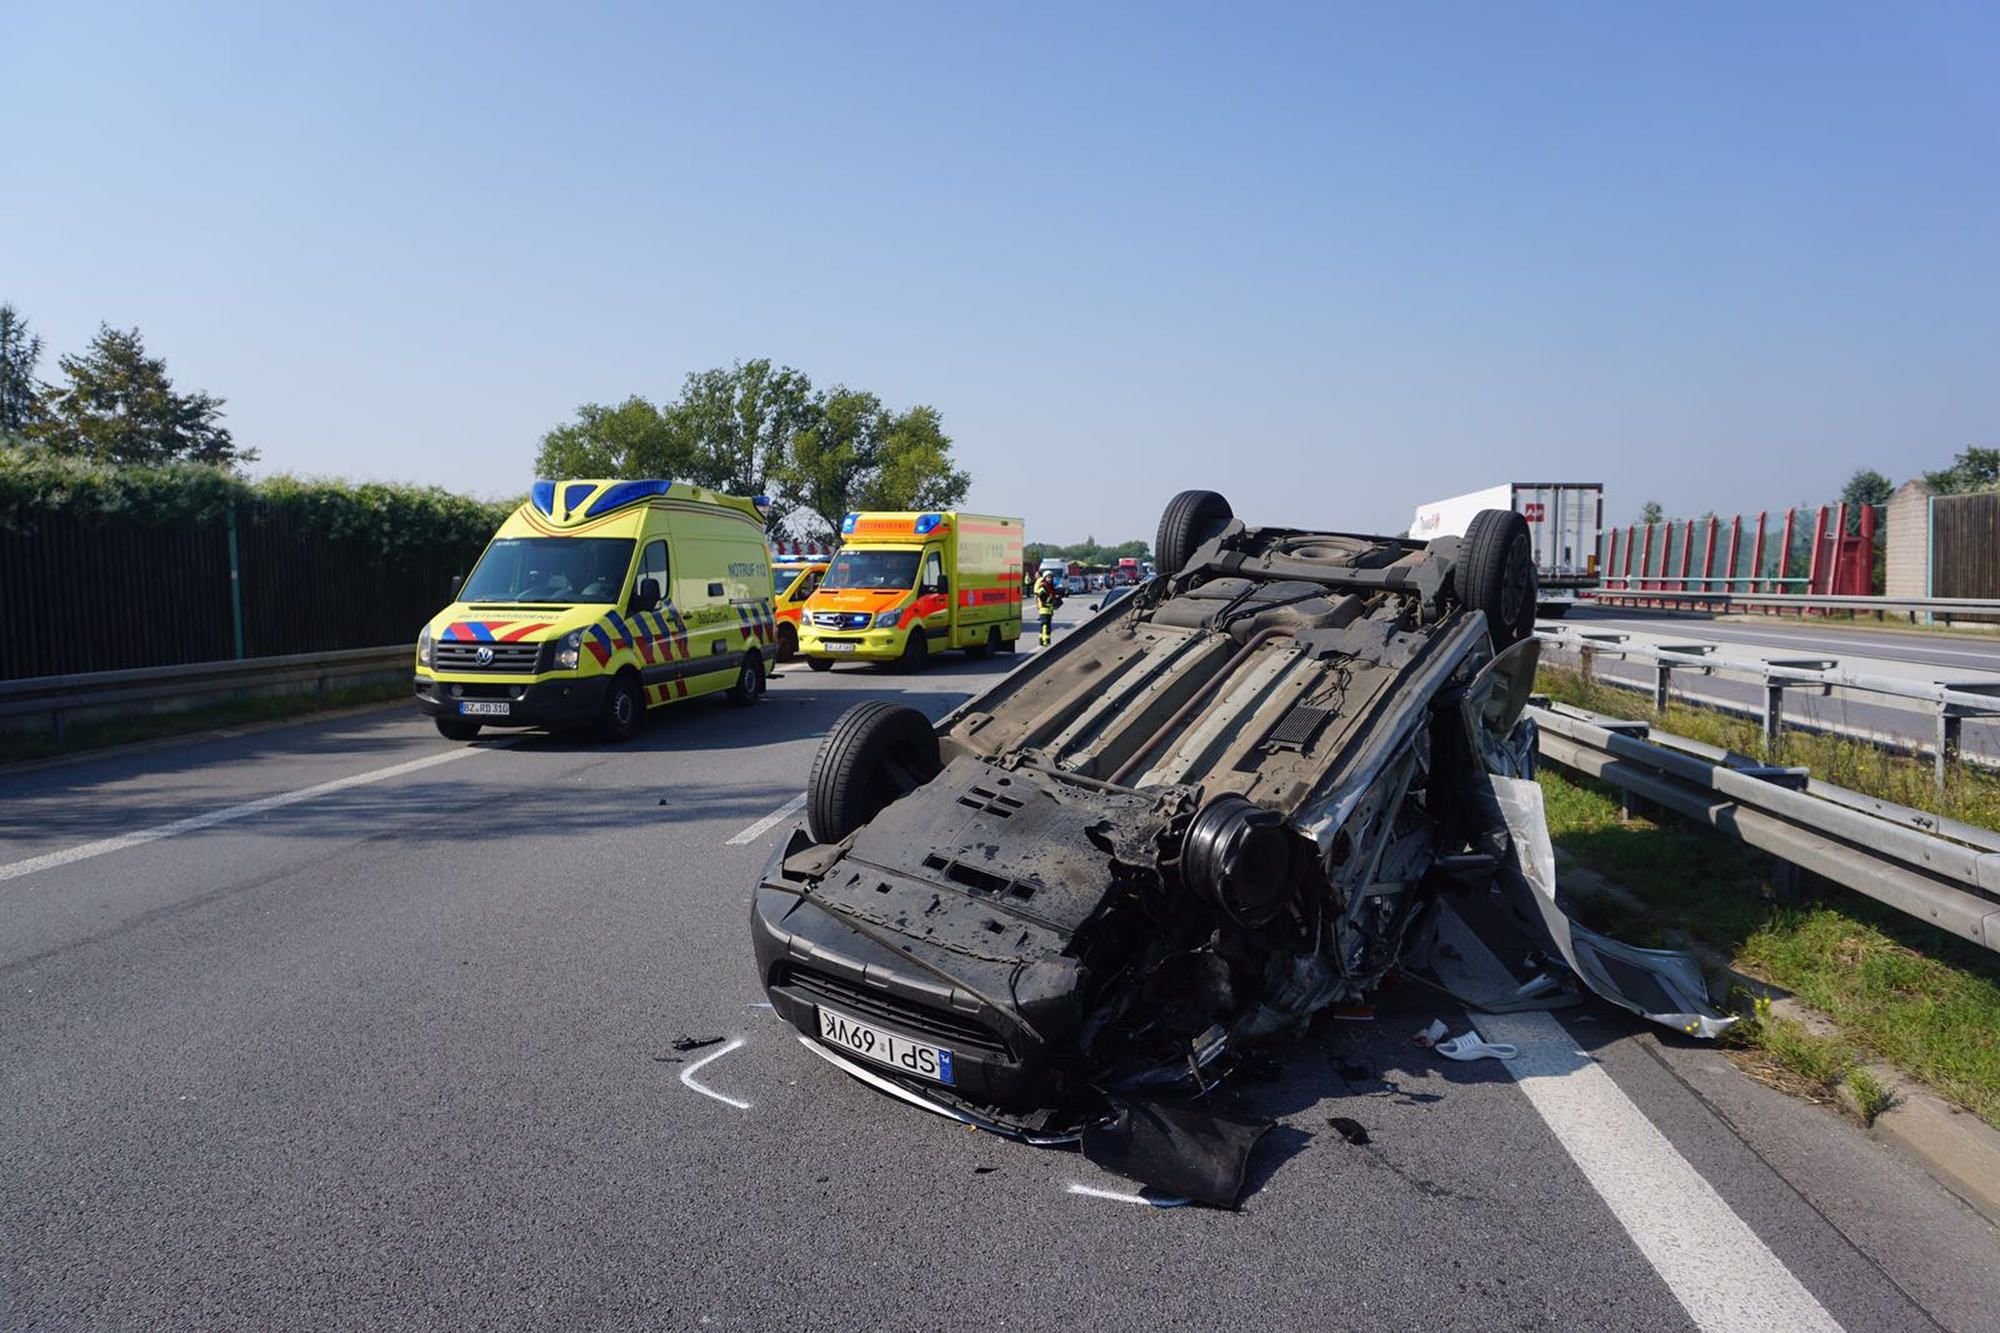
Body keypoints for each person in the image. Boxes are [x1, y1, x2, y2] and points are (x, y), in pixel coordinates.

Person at [1035, 572, 1062, 647]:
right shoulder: (1043, 586)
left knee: (1045, 625)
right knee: (1045, 625)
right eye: (1048, 577)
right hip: (1044, 608)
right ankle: (1045, 641)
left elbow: (1051, 595)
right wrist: (1050, 600)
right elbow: (1041, 596)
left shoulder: (1049, 586)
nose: (1050, 579)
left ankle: (1042, 640)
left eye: (1051, 577)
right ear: (1045, 578)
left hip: (1049, 609)